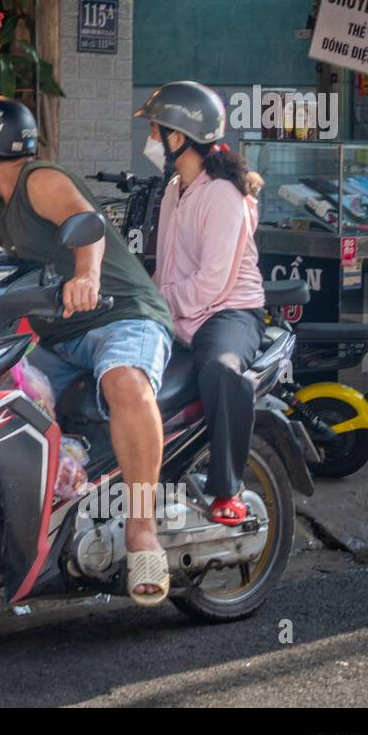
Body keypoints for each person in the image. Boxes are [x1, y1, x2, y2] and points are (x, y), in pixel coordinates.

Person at [0, 96, 177, 606]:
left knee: (124, 382)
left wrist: (87, 274)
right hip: (64, 337)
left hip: (123, 316)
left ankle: (142, 529)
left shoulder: (40, 181)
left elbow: (84, 221)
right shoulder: (4, 205)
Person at [136, 81, 266, 525]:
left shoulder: (224, 195)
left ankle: (229, 490)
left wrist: (160, 302)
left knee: (219, 369)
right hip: (180, 312)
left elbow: (213, 282)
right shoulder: (176, 188)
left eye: (155, 131)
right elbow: (167, 266)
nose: (151, 140)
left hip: (230, 313)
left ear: (178, 137)